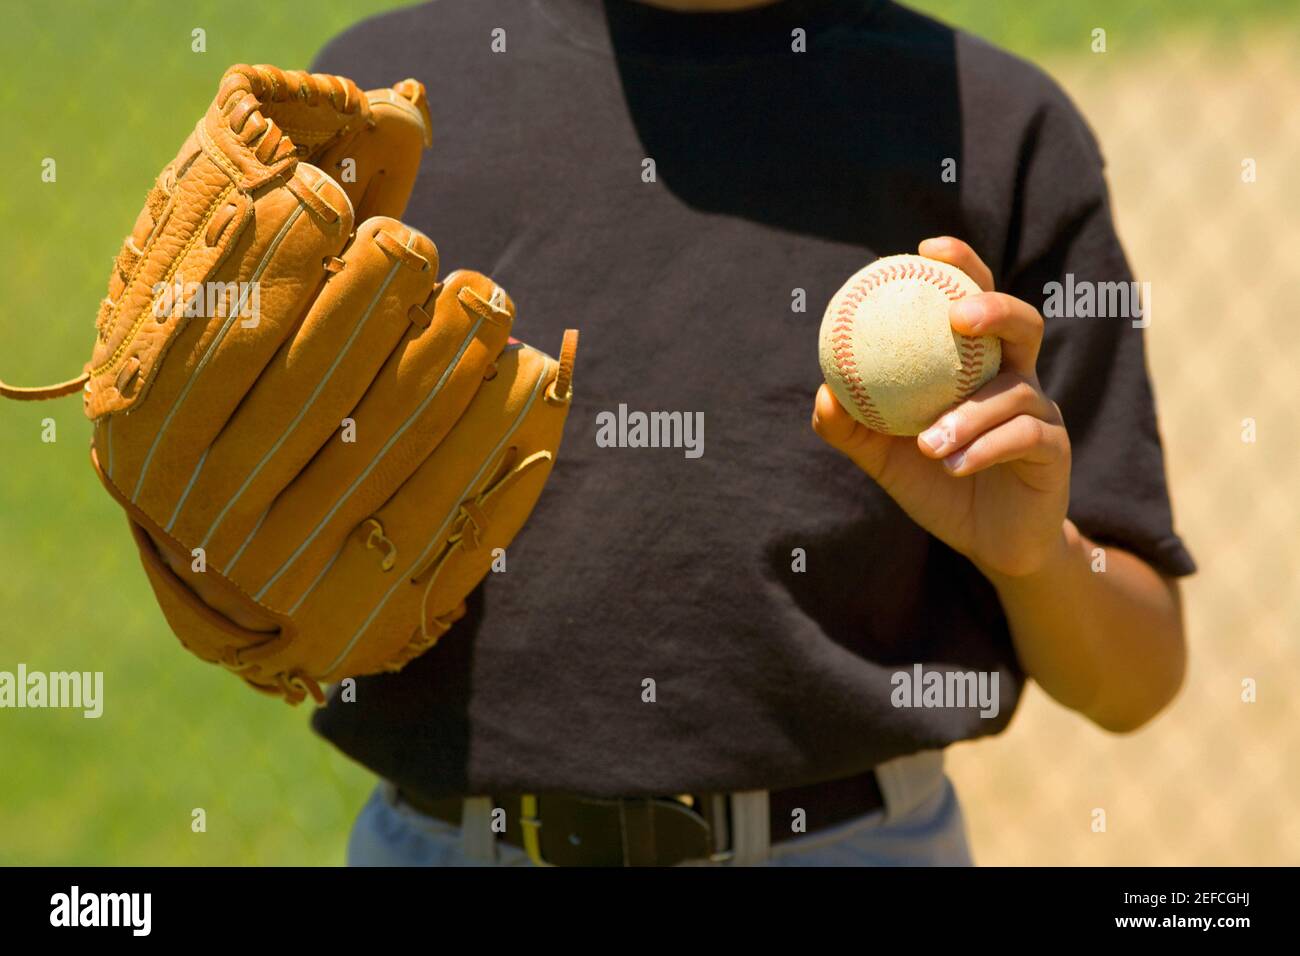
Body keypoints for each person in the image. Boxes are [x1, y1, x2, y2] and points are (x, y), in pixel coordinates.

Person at [309, 0, 1194, 866]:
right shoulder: (389, 105)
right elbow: (245, 521)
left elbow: (1137, 677)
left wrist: (1037, 559)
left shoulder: (999, 130)